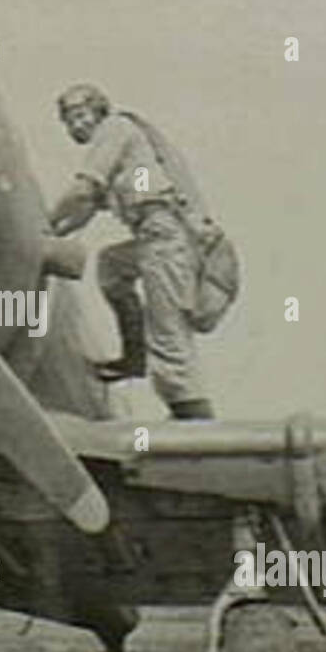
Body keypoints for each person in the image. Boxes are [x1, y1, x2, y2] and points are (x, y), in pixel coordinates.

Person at [48, 83, 215, 420]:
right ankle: (134, 357)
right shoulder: (118, 150)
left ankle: (193, 421)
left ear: (98, 111)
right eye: (69, 121)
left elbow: (83, 191)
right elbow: (87, 208)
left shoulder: (115, 130)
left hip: (166, 237)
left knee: (169, 344)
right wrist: (52, 233)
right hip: (151, 235)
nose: (76, 126)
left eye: (80, 115)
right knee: (111, 266)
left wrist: (42, 223)